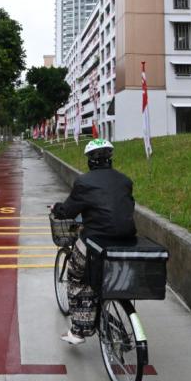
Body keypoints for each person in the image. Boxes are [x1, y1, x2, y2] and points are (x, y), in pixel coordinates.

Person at [52, 138, 136, 345]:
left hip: (96, 241)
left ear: (90, 161)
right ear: (110, 158)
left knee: (77, 277)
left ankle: (78, 331)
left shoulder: (84, 182)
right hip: (127, 240)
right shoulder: (125, 181)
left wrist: (57, 209)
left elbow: (69, 210)